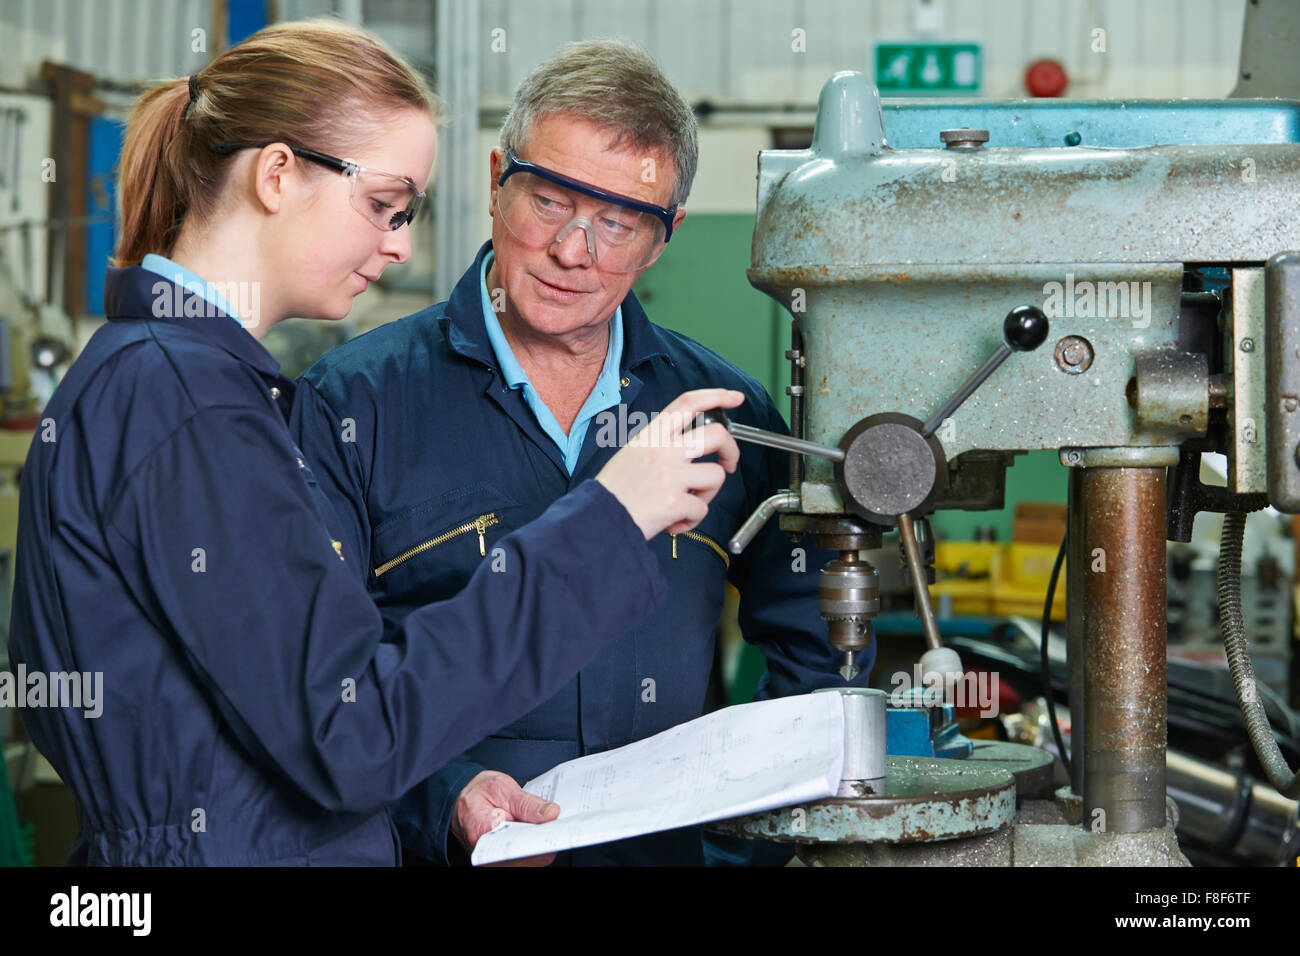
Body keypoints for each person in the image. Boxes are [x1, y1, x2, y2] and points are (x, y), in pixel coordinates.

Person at [7, 20, 742, 866]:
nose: (397, 247)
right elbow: (351, 734)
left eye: (407, 214)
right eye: (383, 205)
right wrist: (612, 517)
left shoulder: (180, 379)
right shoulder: (187, 400)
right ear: (278, 174)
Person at [291, 38, 875, 867]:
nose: (575, 250)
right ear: (497, 179)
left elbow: (822, 650)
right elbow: (317, 686)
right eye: (549, 201)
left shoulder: (723, 416)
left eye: (617, 221)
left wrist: (740, 847)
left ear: (662, 238)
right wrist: (444, 797)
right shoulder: (352, 404)